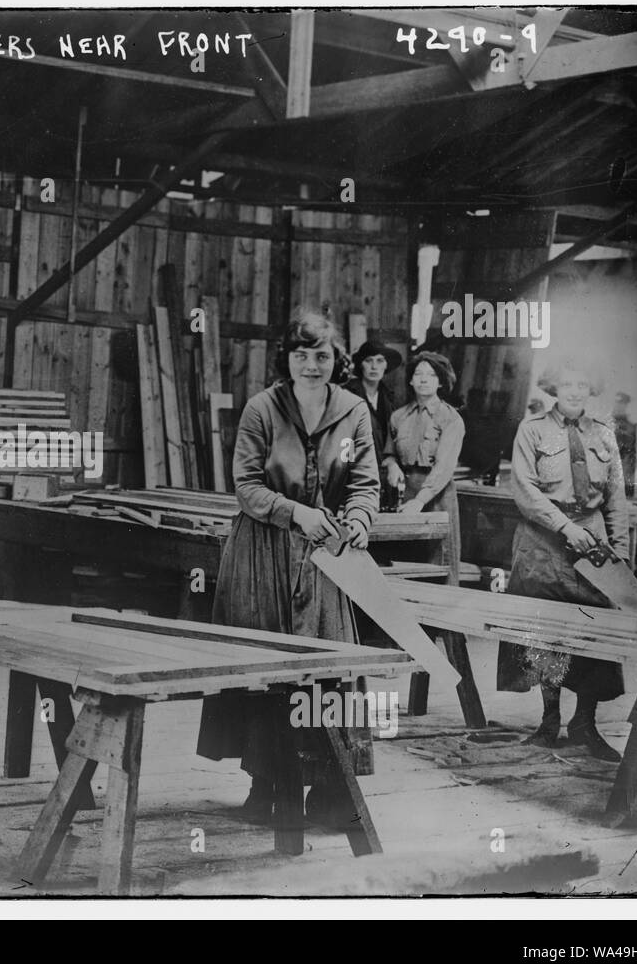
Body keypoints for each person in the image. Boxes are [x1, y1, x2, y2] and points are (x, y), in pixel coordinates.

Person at [196, 310, 380, 822]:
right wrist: (296, 512)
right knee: (266, 670)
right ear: (287, 359)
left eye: (322, 355)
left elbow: (365, 483)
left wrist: (361, 520)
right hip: (264, 552)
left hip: (327, 558)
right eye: (301, 355)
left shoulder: (353, 411)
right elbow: (246, 486)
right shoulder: (262, 408)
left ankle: (329, 790)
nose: (312, 365)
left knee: (329, 669)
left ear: (337, 359)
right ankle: (265, 788)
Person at [496, 357, 629, 762]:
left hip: (593, 545)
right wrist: (564, 527)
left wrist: (620, 553)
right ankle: (549, 721)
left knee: (593, 631)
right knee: (545, 630)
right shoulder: (531, 430)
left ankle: (584, 724)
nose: (574, 390)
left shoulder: (605, 436)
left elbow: (616, 500)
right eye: (567, 383)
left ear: (591, 389)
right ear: (554, 386)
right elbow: (525, 491)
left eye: (582, 384)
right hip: (543, 544)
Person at [382, 351, 465, 559]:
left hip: (437, 496)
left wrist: (420, 501)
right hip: (406, 494)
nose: (424, 379)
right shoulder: (398, 416)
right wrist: (392, 465)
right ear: (410, 380)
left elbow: (444, 467)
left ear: (440, 382)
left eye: (431, 375)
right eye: (418, 374)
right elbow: (389, 453)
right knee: (406, 556)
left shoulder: (451, 418)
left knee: (437, 557)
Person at [344, 339, 400, 471]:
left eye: (380, 361)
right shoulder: (347, 395)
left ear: (386, 365)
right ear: (360, 365)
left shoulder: (389, 398)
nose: (374, 367)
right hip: (355, 469)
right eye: (368, 360)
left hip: (383, 469)